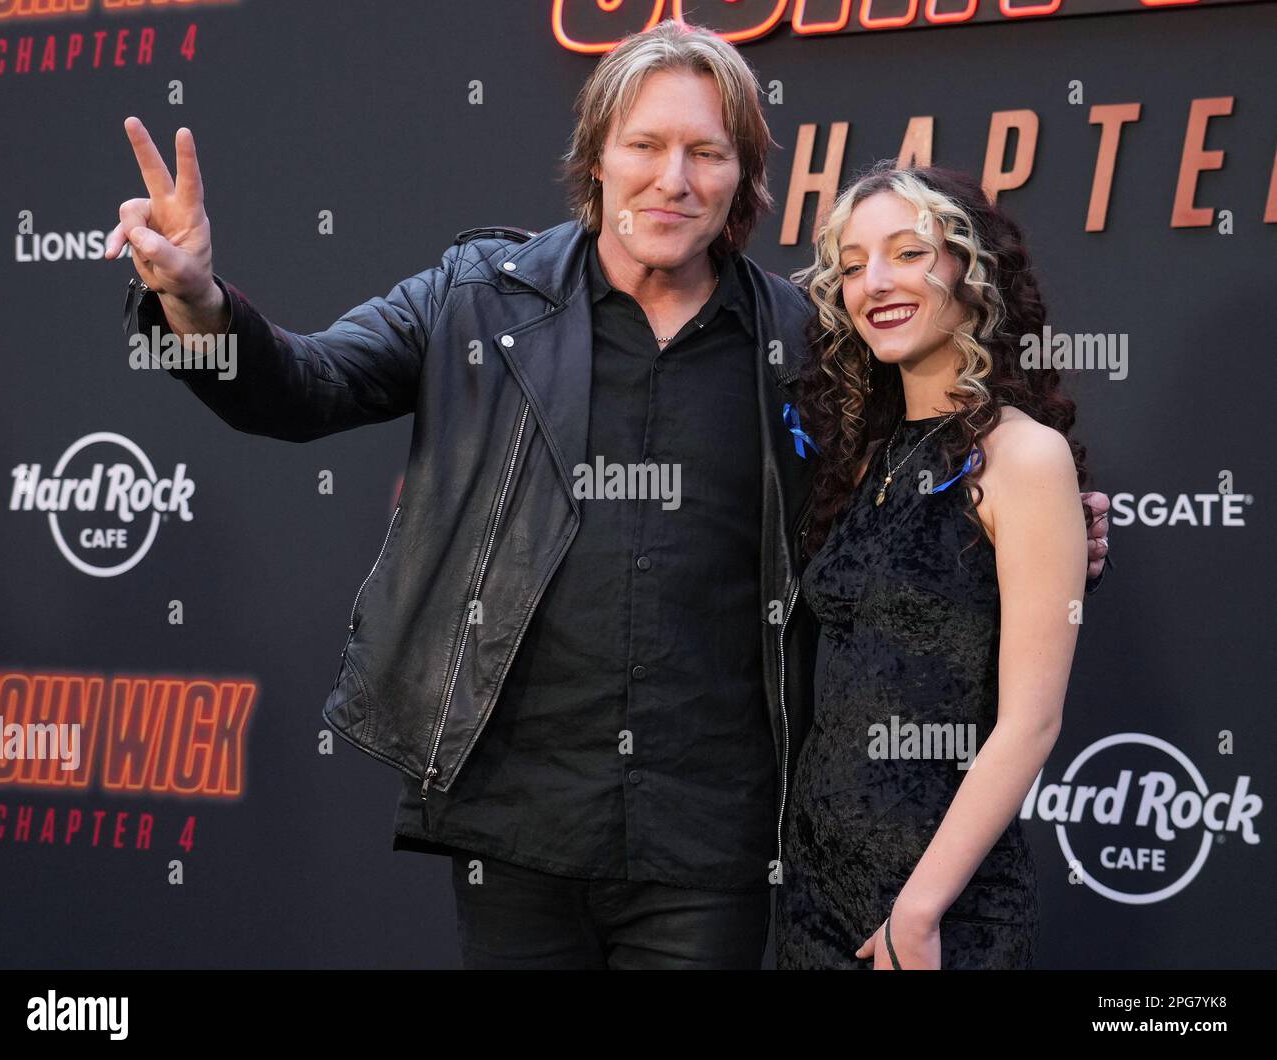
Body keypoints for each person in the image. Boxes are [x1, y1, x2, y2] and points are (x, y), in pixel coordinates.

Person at [106, 21, 1109, 969]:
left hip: (717, 838)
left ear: (745, 179)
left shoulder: (806, 342)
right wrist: (195, 298)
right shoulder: (474, 298)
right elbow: (304, 386)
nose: (672, 180)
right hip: (514, 823)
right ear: (597, 158)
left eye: (706, 154)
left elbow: (929, 500)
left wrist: (1048, 542)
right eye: (645, 145)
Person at [776, 160, 1093, 970]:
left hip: (943, 910)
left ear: (969, 267)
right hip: (814, 895)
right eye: (851, 266)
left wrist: (918, 911)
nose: (875, 281)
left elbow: (1031, 721)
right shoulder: (861, 459)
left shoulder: (1023, 455)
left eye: (908, 252)